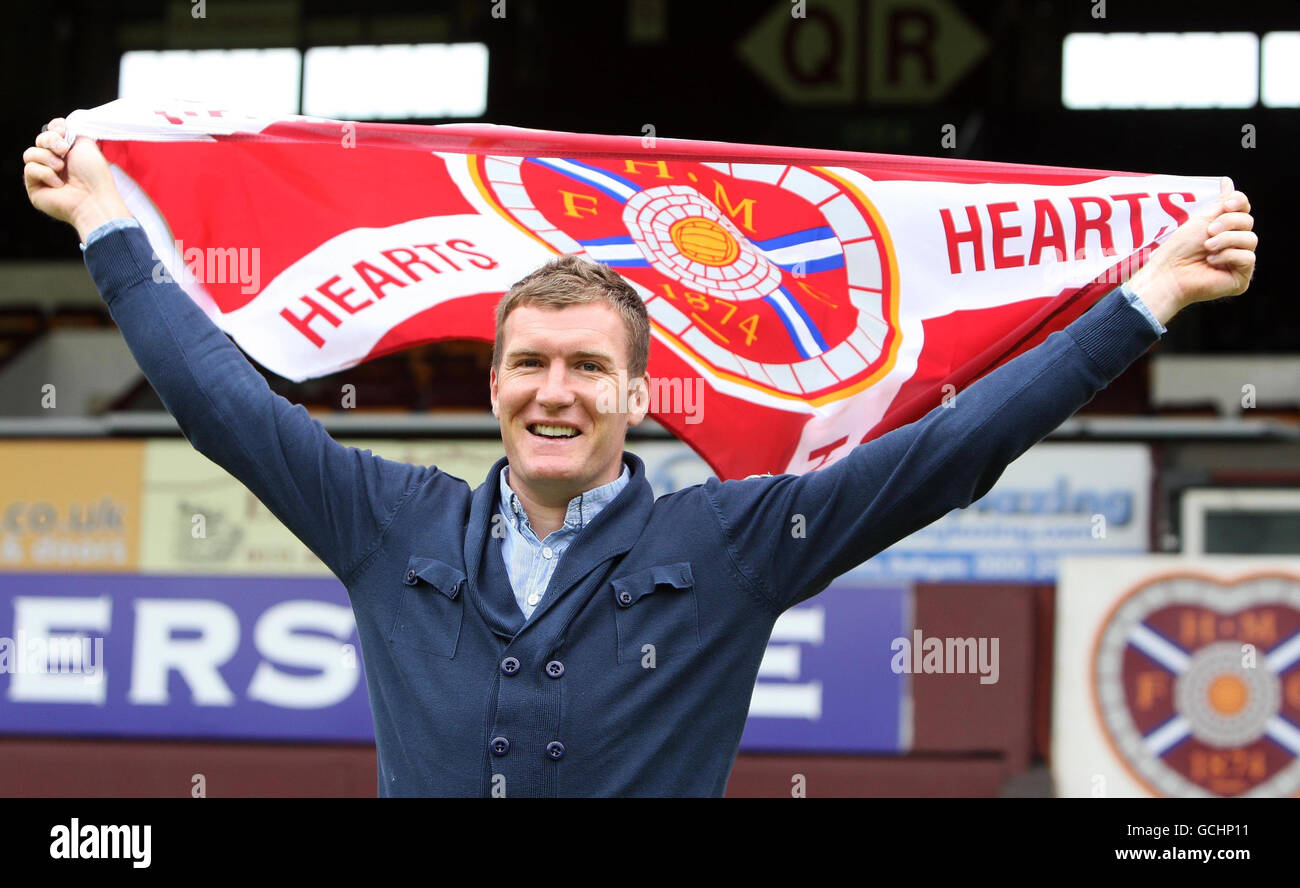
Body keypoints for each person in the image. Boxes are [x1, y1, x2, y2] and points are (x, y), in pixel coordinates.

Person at [23, 117, 1257, 797]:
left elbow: (951, 450)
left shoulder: (731, 545)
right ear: (493, 380)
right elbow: (223, 404)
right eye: (530, 363)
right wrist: (107, 227)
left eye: (586, 368)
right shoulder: (387, 523)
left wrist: (1141, 302)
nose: (554, 391)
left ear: (637, 390)